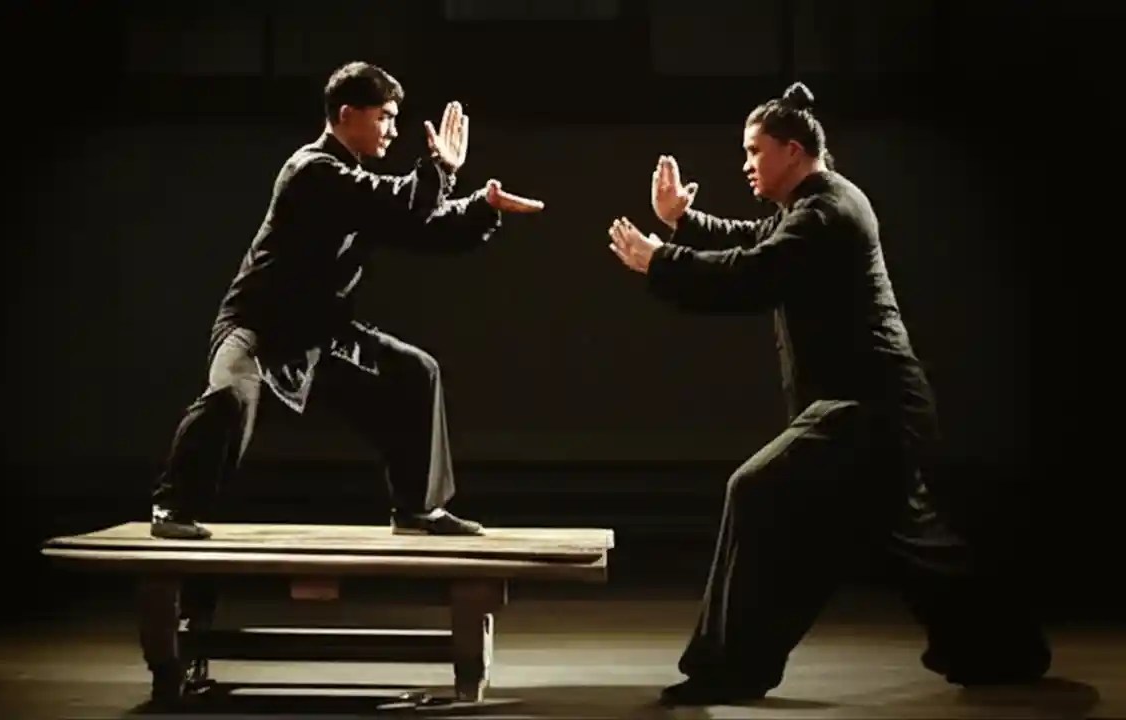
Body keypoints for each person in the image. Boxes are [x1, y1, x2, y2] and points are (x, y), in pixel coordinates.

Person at [606, 82, 1050, 706]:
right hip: (876, 412)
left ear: (792, 151)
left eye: (754, 150)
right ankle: (1006, 651)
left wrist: (662, 260)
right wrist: (683, 223)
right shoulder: (811, 206)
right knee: (914, 546)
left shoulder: (828, 212)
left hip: (868, 410)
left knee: (755, 492)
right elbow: (754, 240)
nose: (746, 164)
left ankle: (728, 670)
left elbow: (754, 273)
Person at [149, 61, 544, 541]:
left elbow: (422, 225)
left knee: (415, 373)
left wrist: (482, 206)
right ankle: (173, 508)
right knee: (230, 398)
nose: (393, 130)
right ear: (346, 114)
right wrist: (441, 169)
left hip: (321, 332)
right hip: (258, 326)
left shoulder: (353, 183)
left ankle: (418, 509)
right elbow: (397, 200)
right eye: (384, 117)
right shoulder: (310, 171)